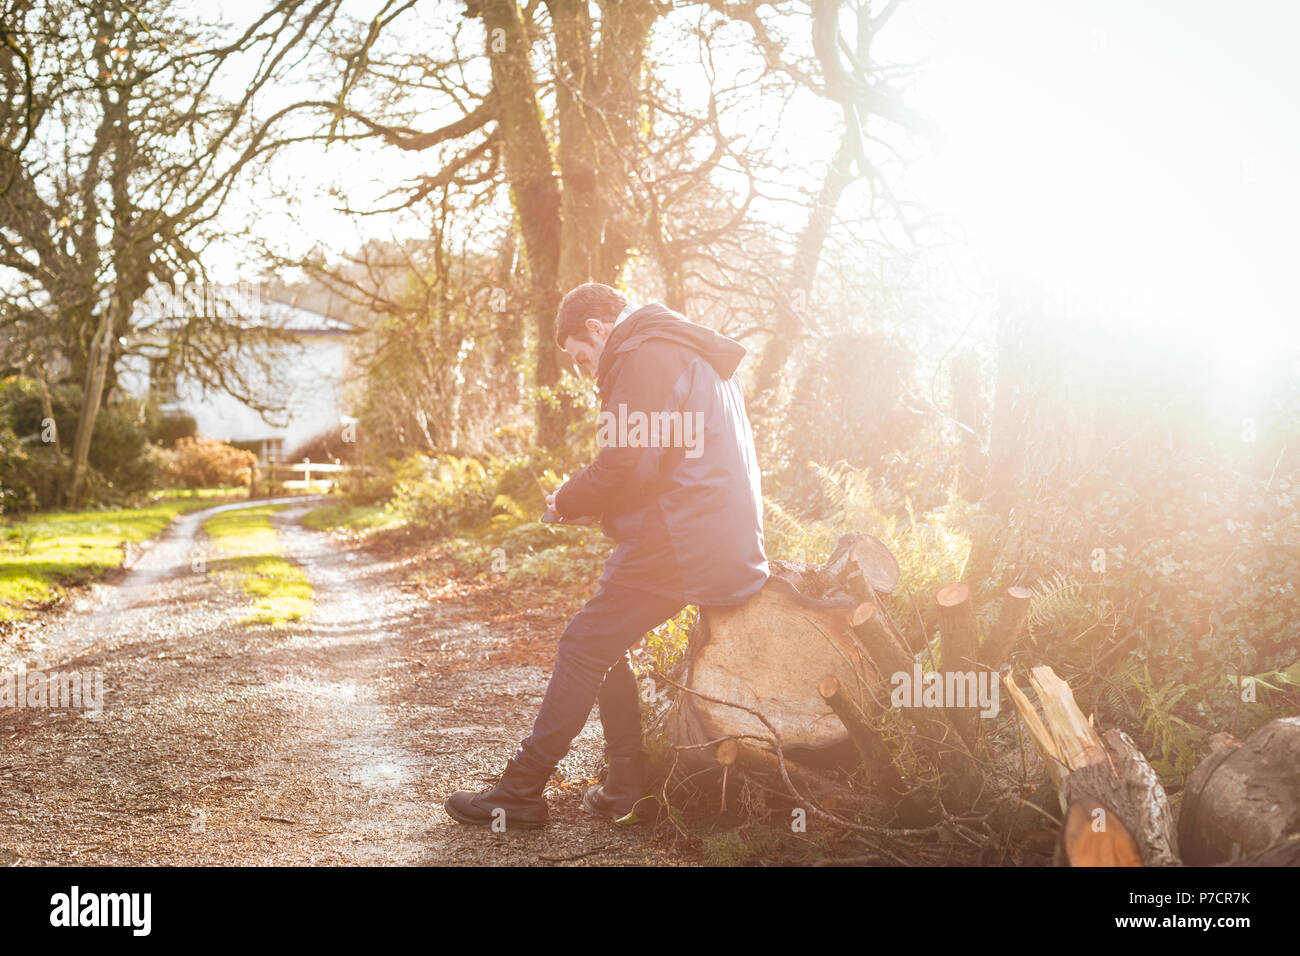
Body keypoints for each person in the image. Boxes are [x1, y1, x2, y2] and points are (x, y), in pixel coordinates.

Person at [444, 282, 768, 828]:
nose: (586, 369)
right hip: (714, 532)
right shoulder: (684, 347)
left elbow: (625, 462)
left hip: (682, 537)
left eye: (582, 356)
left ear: (597, 328)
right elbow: (655, 461)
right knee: (602, 645)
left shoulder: (642, 352)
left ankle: (521, 790)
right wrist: (598, 506)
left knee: (583, 644)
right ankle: (625, 788)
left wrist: (567, 499)